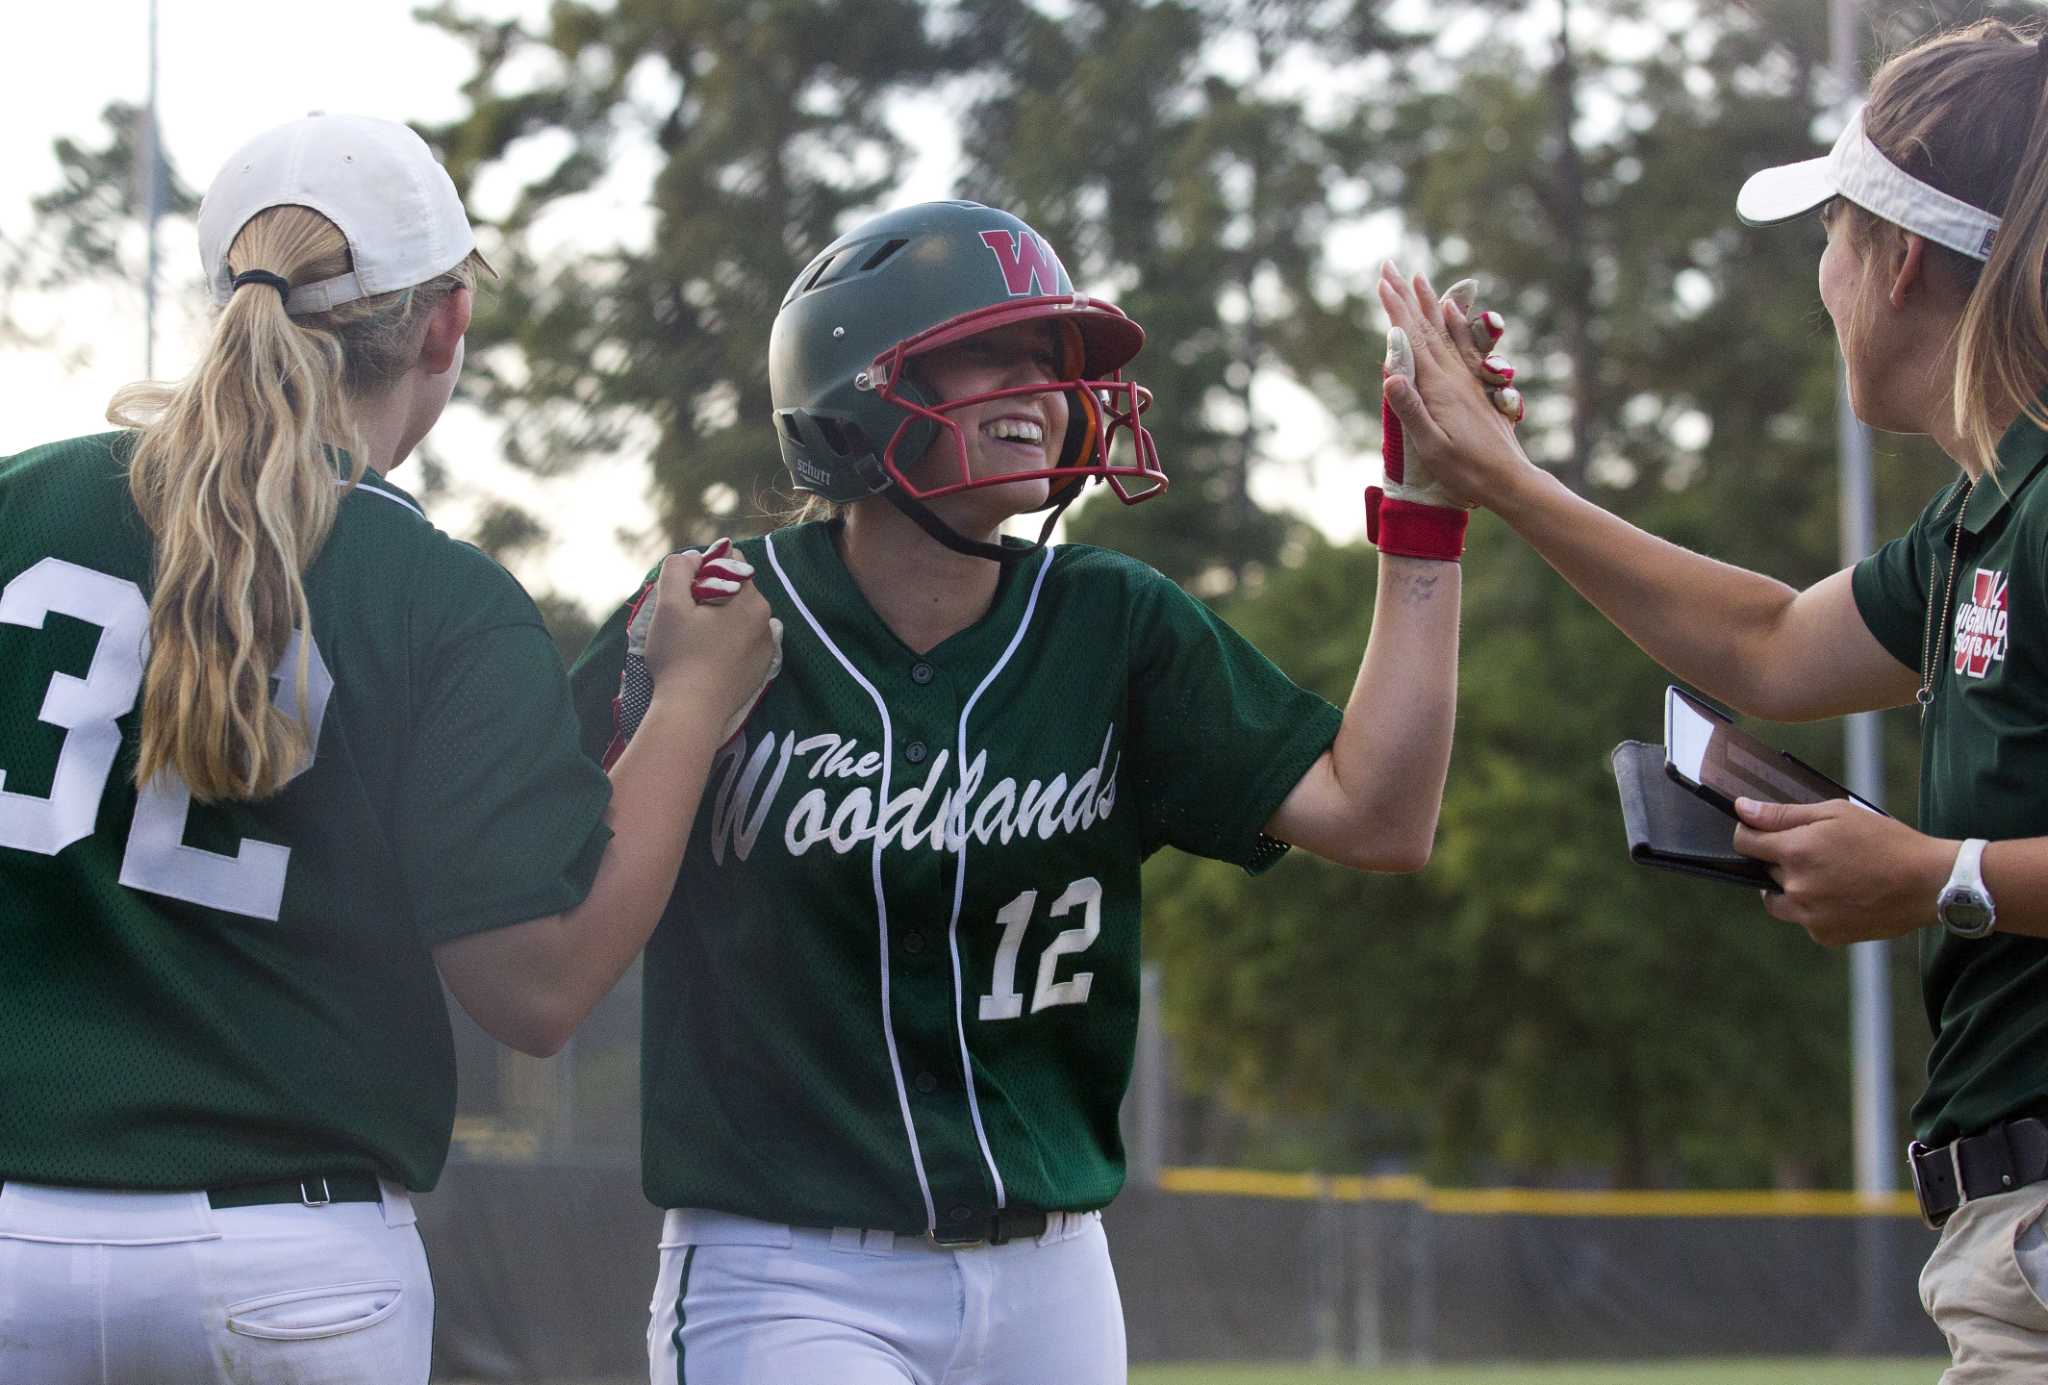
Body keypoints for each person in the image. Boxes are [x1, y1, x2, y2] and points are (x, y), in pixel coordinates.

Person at [571, 199, 1503, 1385]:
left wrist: (1425, 510)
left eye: (1049, 360)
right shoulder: (712, 614)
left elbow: (1379, 814)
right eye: (987, 349)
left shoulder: (1110, 619)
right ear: (852, 391)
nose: (1039, 384)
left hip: (1054, 1271)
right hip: (790, 1269)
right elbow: (546, 884)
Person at [0, 113, 776, 1385]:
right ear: (442, 327)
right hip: (286, 1268)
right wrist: (690, 700)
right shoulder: (440, 595)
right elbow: (533, 988)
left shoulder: (21, 501)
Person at [1379, 19, 2048, 1382]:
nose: (1824, 277)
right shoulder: (1991, 506)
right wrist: (1501, 476)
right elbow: (1770, 646)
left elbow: (1933, 855)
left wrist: (1940, 876)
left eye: (1831, 238)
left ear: (1901, 257)